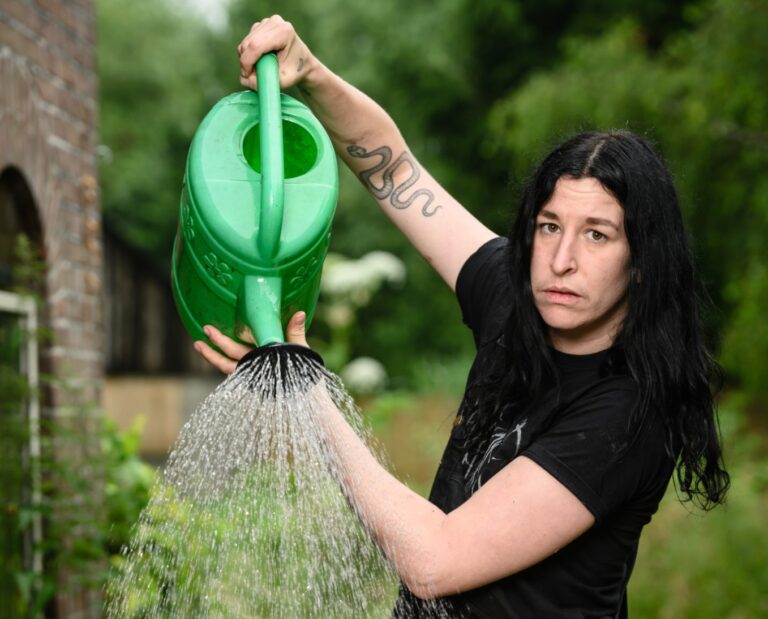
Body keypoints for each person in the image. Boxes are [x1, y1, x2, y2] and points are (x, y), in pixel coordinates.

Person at [194, 15, 730, 618]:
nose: (562, 260)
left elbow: (433, 563)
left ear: (642, 261)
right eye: (550, 226)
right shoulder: (518, 292)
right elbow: (391, 169)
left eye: (598, 235)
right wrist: (310, 73)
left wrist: (303, 387)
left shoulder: (631, 412)